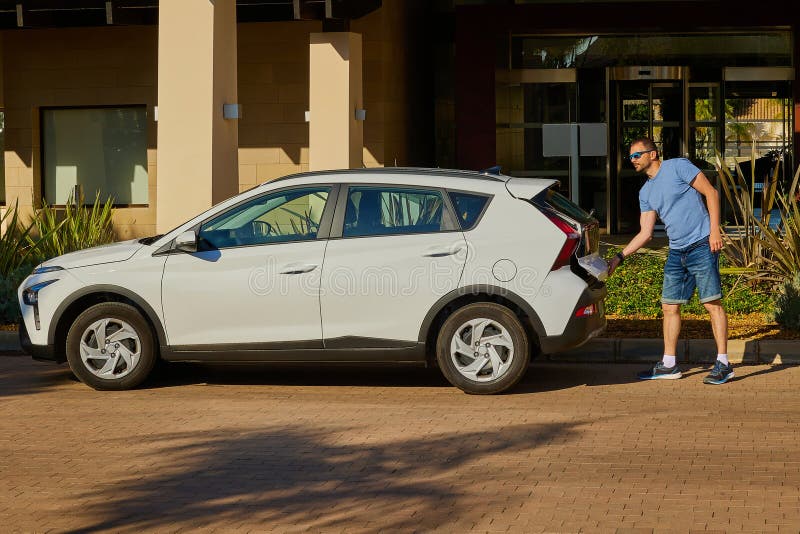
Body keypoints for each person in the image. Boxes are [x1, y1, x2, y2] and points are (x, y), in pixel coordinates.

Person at [608, 137, 733, 385]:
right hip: (677, 251)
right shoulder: (645, 192)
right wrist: (619, 257)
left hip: (701, 244)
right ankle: (669, 364)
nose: (632, 160)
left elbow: (711, 192)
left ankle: (724, 364)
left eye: (637, 155)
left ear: (653, 154)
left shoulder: (678, 166)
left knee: (712, 303)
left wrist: (714, 231)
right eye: (630, 157)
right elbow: (645, 233)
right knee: (669, 306)